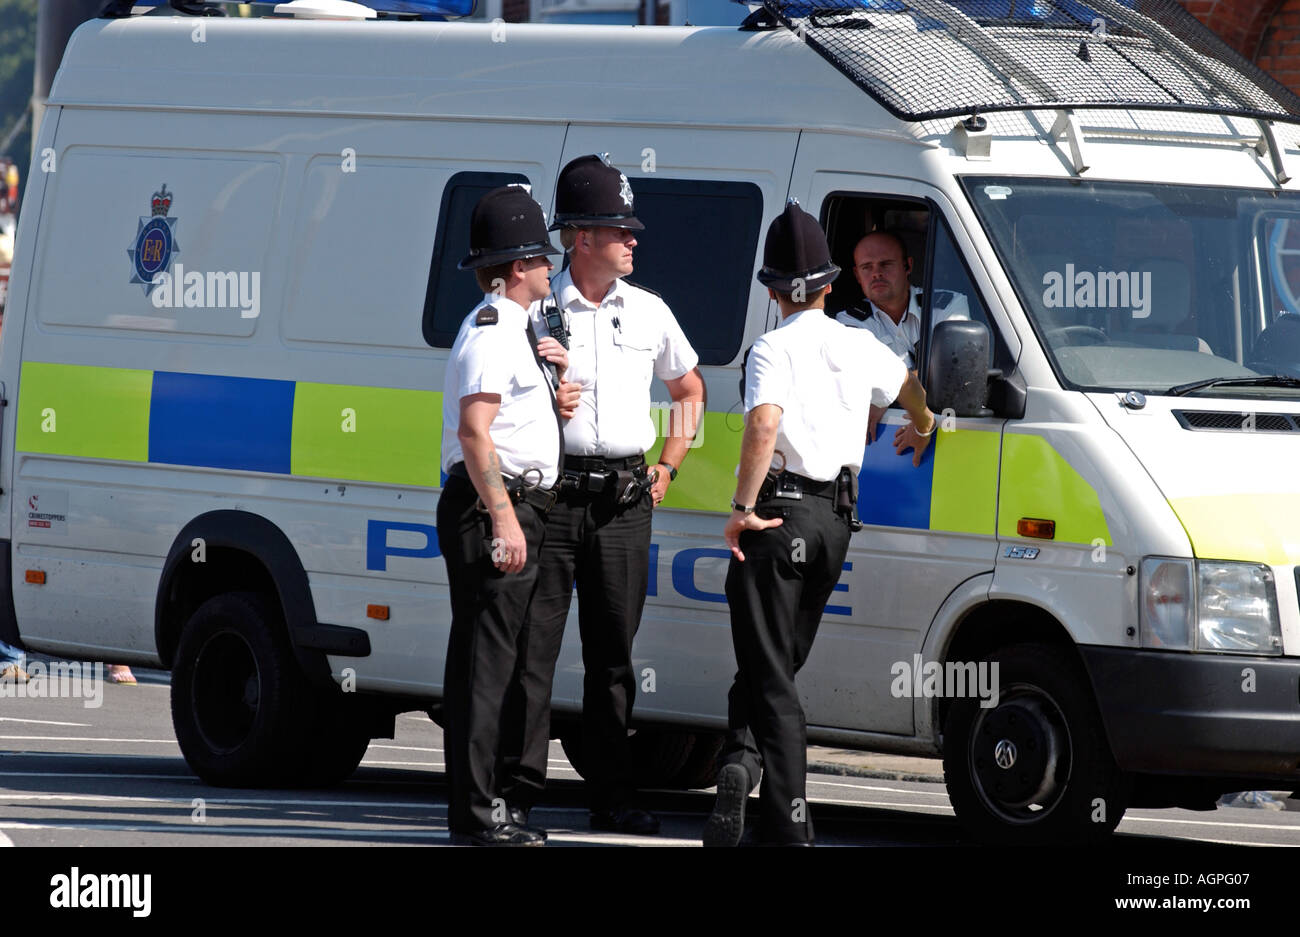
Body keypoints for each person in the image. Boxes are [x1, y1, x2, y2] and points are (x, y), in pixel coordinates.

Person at [704, 202, 937, 847]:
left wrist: (741, 509)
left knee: (771, 673)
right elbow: (910, 388)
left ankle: (789, 819)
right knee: (776, 661)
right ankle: (740, 762)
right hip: (836, 520)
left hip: (777, 516)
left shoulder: (772, 348)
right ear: (830, 285)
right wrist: (924, 425)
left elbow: (763, 424)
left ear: (773, 292)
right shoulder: (859, 343)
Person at [498, 154, 706, 836]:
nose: (633, 240)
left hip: (624, 501)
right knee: (533, 654)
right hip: (553, 499)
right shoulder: (534, 313)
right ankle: (515, 795)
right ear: (581, 237)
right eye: (621, 229)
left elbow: (689, 390)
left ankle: (613, 795)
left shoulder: (649, 311)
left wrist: (669, 464)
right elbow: (495, 401)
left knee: (614, 657)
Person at [438, 185, 570, 846]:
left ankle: (487, 806)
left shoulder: (521, 329)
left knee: (498, 664)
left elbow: (508, 420)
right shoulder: (492, 329)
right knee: (484, 669)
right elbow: (475, 432)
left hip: (517, 502)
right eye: (542, 258)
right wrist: (503, 518)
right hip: (494, 503)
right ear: (518, 267)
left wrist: (557, 397)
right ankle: (476, 815)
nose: (550, 268)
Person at [836, 230, 968, 369]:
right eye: (867, 267)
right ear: (857, 275)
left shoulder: (948, 305)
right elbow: (866, 378)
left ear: (908, 266)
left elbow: (955, 369)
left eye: (885, 264)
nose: (876, 273)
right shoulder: (849, 322)